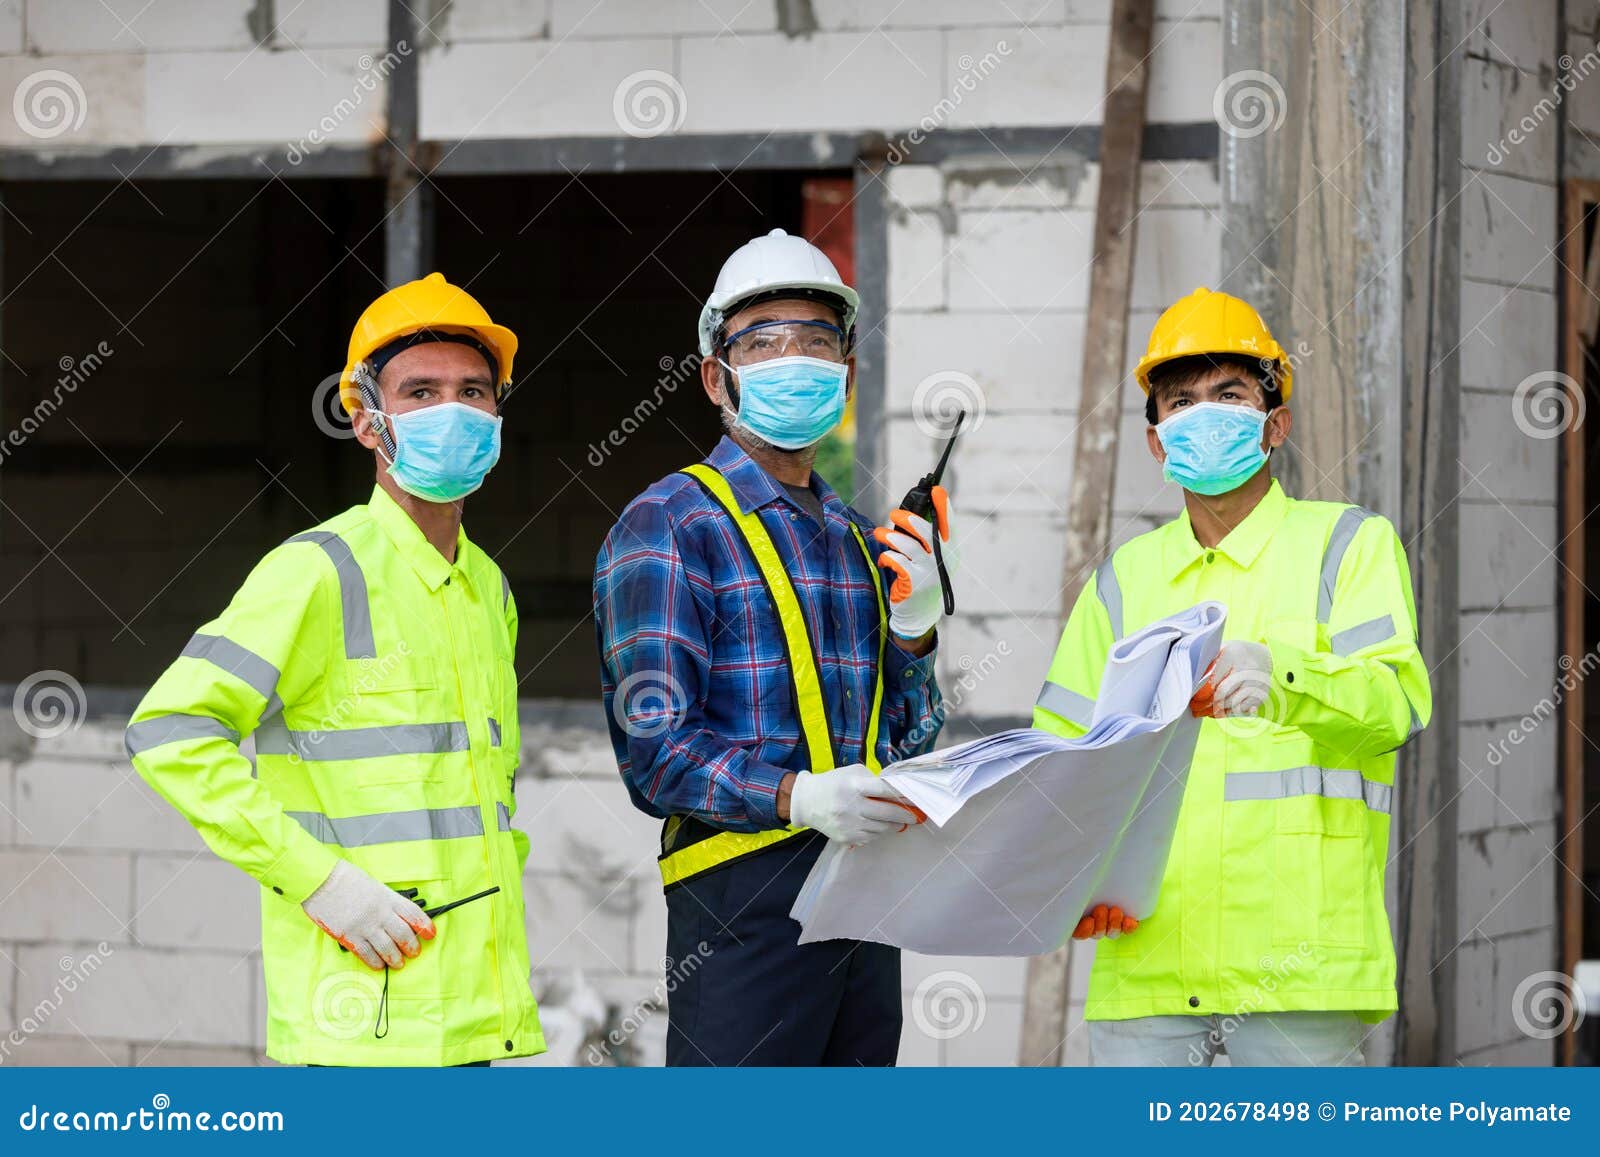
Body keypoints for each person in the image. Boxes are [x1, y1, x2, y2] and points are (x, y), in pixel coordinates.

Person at [125, 273, 542, 1067]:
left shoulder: (487, 586)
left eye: (473, 391)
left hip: (474, 1022)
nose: (451, 411)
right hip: (363, 1024)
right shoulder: (316, 570)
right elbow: (168, 732)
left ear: (496, 416)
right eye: (419, 391)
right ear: (366, 420)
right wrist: (322, 883)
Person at [1034, 287, 1431, 1067]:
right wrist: (1075, 880)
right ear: (1156, 441)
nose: (1203, 413)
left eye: (1230, 393)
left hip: (1297, 984)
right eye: (1180, 400)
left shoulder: (1349, 546)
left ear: (1274, 423)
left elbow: (1395, 705)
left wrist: (1282, 675)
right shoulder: (1124, 578)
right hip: (1146, 972)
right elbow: (1058, 765)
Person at [593, 229, 953, 1066]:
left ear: (847, 371)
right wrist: (795, 796)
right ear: (718, 376)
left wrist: (918, 632)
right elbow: (652, 752)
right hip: (743, 914)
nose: (797, 357)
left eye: (818, 340)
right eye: (765, 341)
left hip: (867, 904)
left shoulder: (860, 540)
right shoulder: (670, 524)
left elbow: (900, 744)